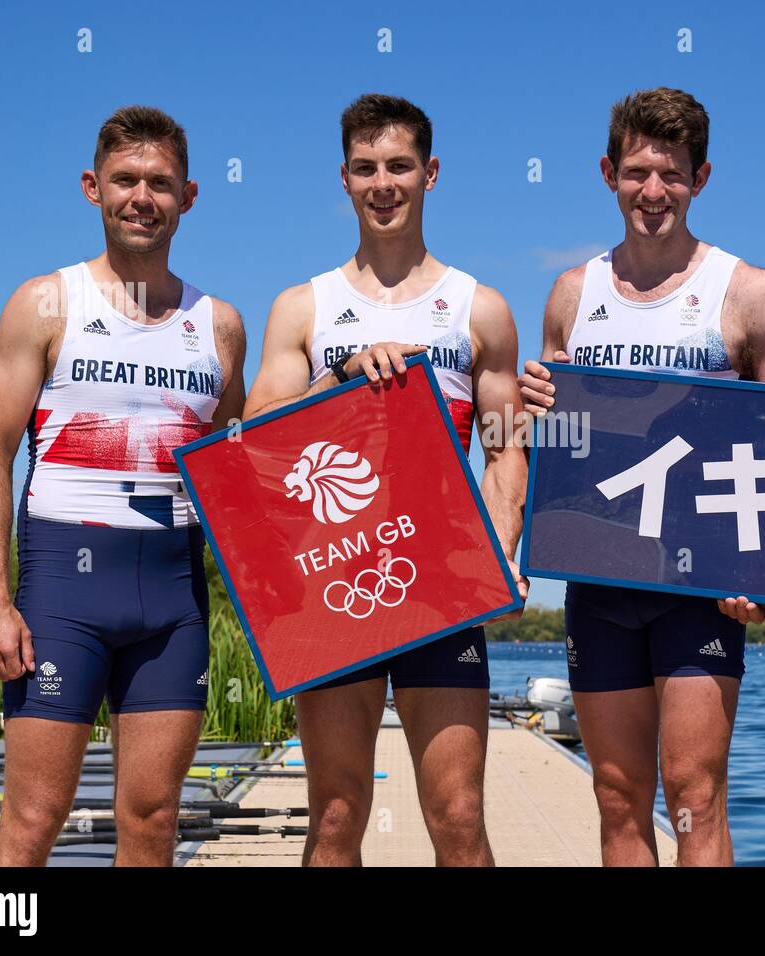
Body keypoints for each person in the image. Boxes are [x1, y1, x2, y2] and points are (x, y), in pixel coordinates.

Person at [518, 88, 765, 865]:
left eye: (672, 176)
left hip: (702, 588)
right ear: (608, 172)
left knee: (696, 798)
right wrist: (538, 404)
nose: (654, 193)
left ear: (701, 178)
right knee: (616, 799)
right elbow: (559, 439)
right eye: (638, 173)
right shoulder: (574, 294)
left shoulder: (751, 295)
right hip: (601, 579)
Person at [244, 94, 528, 867]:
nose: (383, 183)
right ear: (344, 179)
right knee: (336, 816)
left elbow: (504, 447)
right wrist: (337, 374)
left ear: (430, 173)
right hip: (334, 585)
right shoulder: (304, 308)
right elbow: (253, 440)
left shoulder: (481, 310)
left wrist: (502, 552)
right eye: (365, 168)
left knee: (459, 817)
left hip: (441, 582)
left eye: (399, 165)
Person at [0, 105, 247, 866]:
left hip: (172, 599)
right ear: (94, 187)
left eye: (160, 183)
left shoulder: (219, 325)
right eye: (125, 180)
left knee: (153, 821)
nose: (141, 197)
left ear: (189, 196)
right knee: (32, 819)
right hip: (63, 594)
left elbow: (239, 460)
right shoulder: (45, 304)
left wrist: (342, 377)